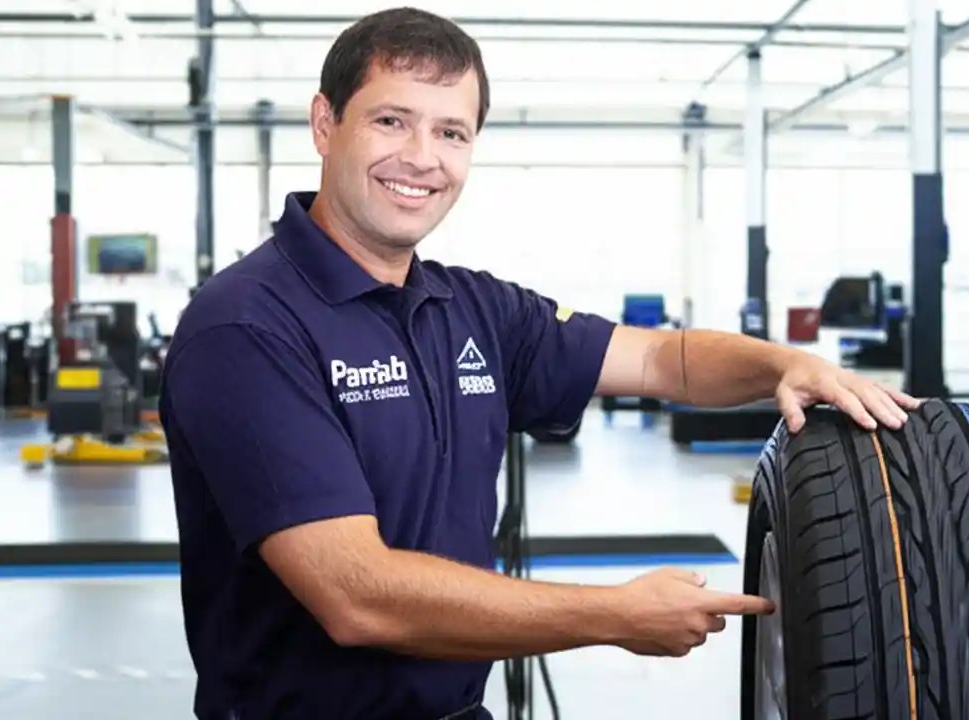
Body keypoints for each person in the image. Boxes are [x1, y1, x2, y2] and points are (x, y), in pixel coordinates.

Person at [159, 7, 919, 720]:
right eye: (392, 121)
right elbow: (358, 597)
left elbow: (662, 361)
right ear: (325, 124)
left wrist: (782, 365)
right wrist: (613, 615)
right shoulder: (246, 327)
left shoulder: (474, 310)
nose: (423, 159)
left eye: (452, 133)